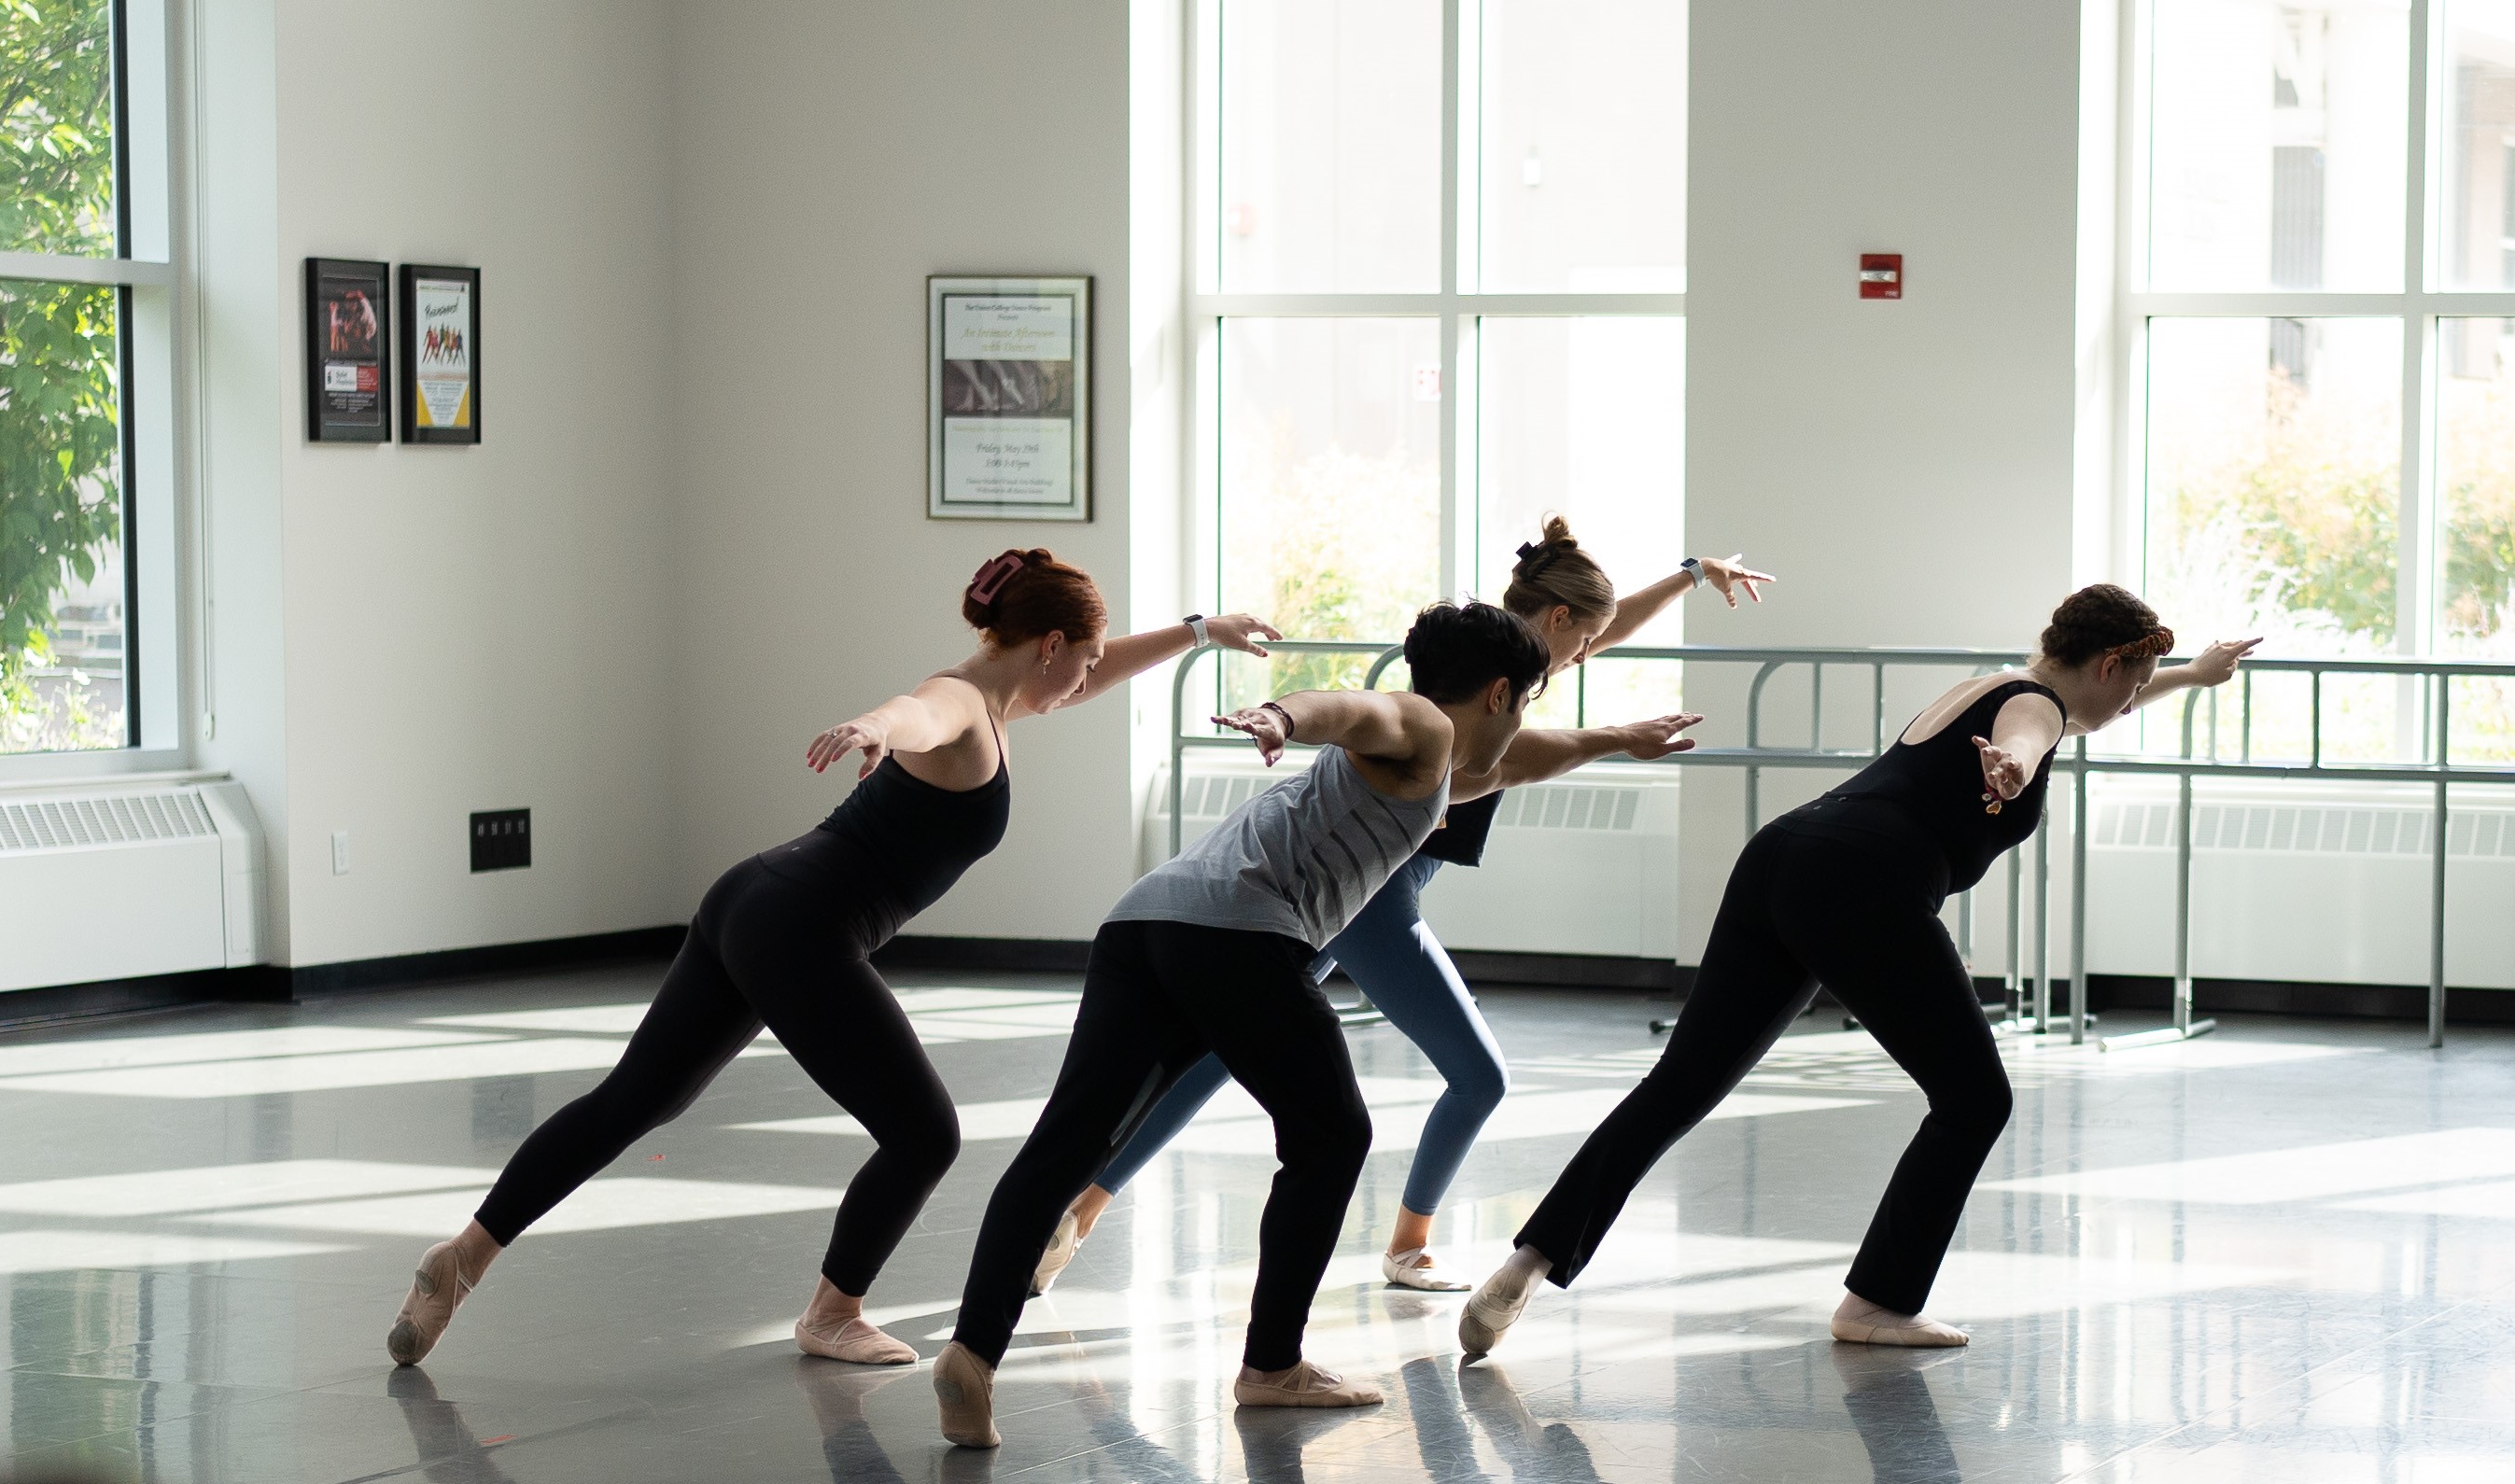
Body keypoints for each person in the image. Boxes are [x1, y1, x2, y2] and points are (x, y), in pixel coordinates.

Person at [381, 550, 1282, 1370]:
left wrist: (1201, 631)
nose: (1087, 677)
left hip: (751, 895)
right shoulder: (961, 704)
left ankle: (463, 1256)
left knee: (634, 1098)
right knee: (926, 1133)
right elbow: (919, 711)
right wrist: (875, 724)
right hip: (800, 928)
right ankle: (832, 1310)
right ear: (1048, 644)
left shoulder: (1004, 694)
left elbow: (1068, 681)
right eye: (1082, 658)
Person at [1455, 584, 2258, 1356]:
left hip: (1784, 853)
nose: (2131, 701)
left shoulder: (1999, 684)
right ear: (2109, 663)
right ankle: (1878, 1300)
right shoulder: (2032, 711)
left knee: (1681, 1083)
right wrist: (2013, 766)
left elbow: (2070, 714)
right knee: (1976, 1097)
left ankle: (1526, 1262)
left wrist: (2193, 674)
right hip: (1862, 880)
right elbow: (2035, 732)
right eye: (2138, 682)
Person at [1035, 520, 1771, 1294]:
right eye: (1582, 640)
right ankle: (1408, 1244)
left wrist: (1690, 574)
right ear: (1553, 625)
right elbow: (1461, 744)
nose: (1590, 653)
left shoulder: (1498, 656)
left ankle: (1076, 1212)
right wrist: (1621, 734)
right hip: (1374, 893)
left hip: (1358, 887)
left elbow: (1605, 623)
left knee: (1220, 1048)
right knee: (1477, 1076)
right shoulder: (1485, 687)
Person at [932, 602, 1552, 1449]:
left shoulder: (1436, 765)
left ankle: (973, 1351)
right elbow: (1348, 705)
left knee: (1068, 1143)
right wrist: (1283, 715)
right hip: (1239, 931)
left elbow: (1535, 754)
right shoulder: (1425, 725)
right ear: (1501, 691)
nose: (1521, 727)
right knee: (1332, 1133)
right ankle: (1271, 1365)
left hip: (1144, 920)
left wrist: (1623, 740)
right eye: (1523, 706)